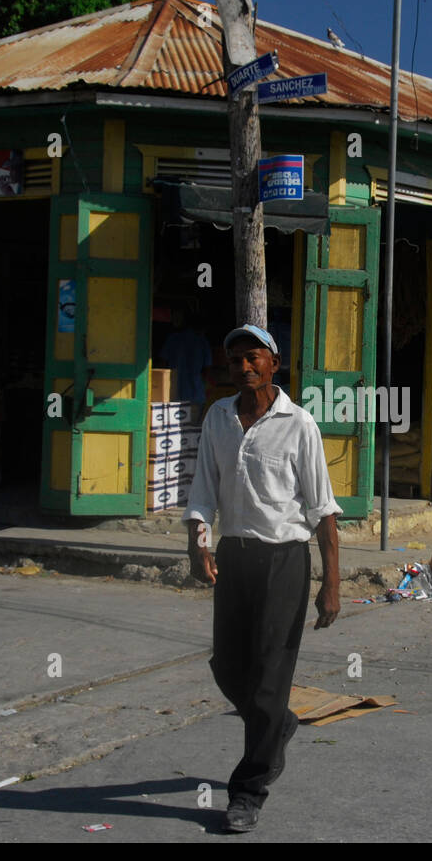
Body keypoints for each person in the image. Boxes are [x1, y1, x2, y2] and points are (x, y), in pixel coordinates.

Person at [183, 324, 342, 833]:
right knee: (228, 666)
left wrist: (331, 583)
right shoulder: (219, 418)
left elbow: (323, 511)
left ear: (275, 363)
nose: (244, 367)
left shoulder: (300, 425)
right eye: (235, 360)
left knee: (271, 676)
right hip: (235, 556)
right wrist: (198, 543)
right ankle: (279, 725)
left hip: (284, 561)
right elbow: (204, 487)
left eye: (253, 358)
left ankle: (248, 791)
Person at [159, 309, 214, 407]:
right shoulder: (202, 341)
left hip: (172, 390)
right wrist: (205, 384)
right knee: (194, 420)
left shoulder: (173, 338)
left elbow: (162, 363)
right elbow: (207, 367)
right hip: (195, 393)